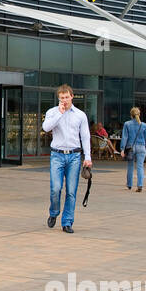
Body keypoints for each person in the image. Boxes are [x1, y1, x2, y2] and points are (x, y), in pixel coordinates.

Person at [42, 85, 91, 233]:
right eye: (61, 98)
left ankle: (67, 222)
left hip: (74, 156)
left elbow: (85, 136)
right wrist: (59, 113)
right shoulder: (52, 112)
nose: (64, 100)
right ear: (58, 98)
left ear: (72, 96)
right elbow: (46, 128)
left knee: (71, 191)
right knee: (55, 188)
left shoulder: (80, 115)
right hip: (57, 155)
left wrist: (87, 157)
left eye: (66, 97)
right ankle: (53, 212)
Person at [121, 107, 146, 191]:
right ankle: (140, 185)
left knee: (130, 166)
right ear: (139, 114)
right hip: (141, 147)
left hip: (130, 147)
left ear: (131, 115)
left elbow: (125, 137)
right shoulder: (143, 125)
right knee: (140, 167)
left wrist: (122, 148)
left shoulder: (127, 124)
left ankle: (129, 185)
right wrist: (145, 146)